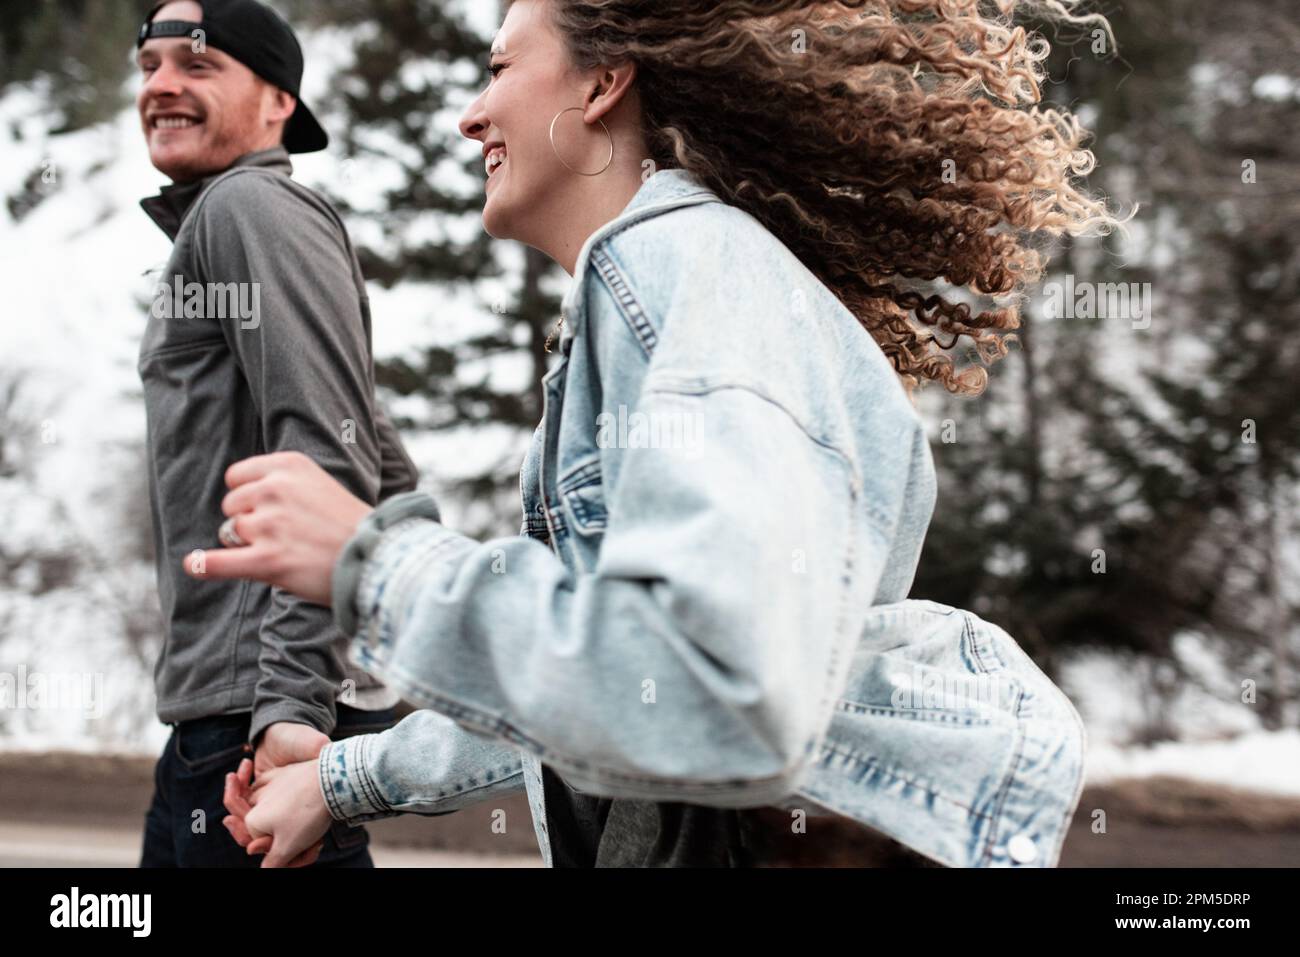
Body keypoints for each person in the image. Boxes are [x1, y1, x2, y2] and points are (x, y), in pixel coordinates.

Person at [200, 0, 1115, 867]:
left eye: (499, 68)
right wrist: (338, 779)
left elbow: (710, 681)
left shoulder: (684, 263)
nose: (470, 118)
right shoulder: (662, 288)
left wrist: (376, 566)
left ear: (601, 85)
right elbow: (608, 682)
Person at [133, 0, 420, 867]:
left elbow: (328, 459)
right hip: (214, 727)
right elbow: (382, 466)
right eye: (149, 67)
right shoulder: (224, 228)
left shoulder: (249, 209)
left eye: (198, 65)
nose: (162, 85)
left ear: (277, 103)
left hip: (247, 734)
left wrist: (295, 704)